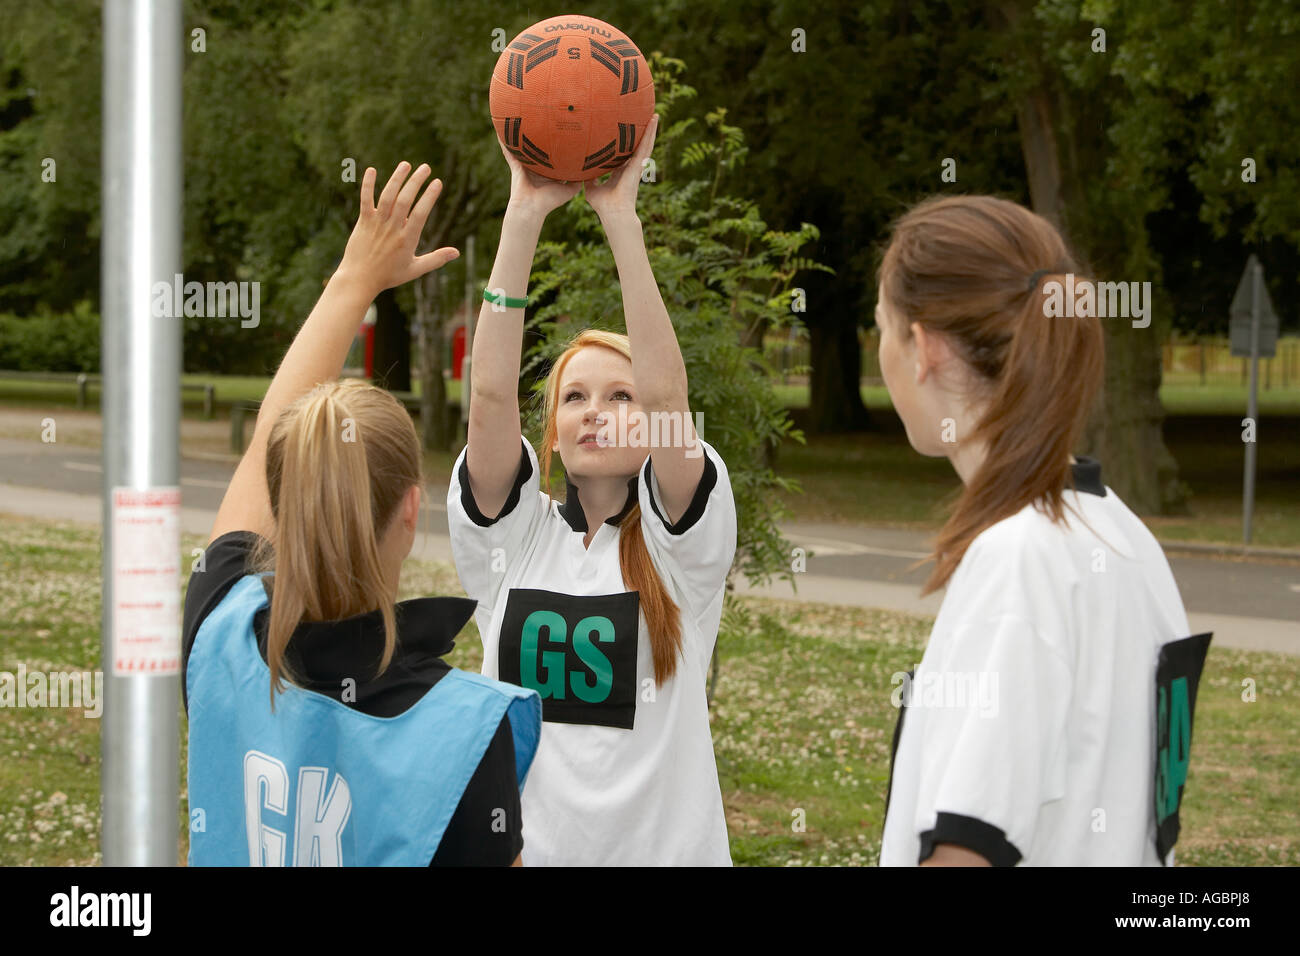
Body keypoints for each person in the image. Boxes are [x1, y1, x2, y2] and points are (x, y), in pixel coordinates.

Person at [183, 162, 541, 866]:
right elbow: (271, 446)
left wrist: (354, 277)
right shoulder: (461, 731)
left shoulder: (217, 632)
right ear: (411, 511)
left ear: (287, 502)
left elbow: (266, 443)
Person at [875, 194, 1212, 867]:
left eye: (878, 325)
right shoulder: (1124, 533)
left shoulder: (1017, 557)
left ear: (922, 348)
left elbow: (968, 848)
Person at [447, 114, 737, 865]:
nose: (597, 414)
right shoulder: (516, 538)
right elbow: (488, 397)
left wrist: (621, 220)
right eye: (575, 398)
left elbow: (672, 402)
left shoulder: (682, 551)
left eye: (620, 396)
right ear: (549, 433)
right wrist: (523, 216)